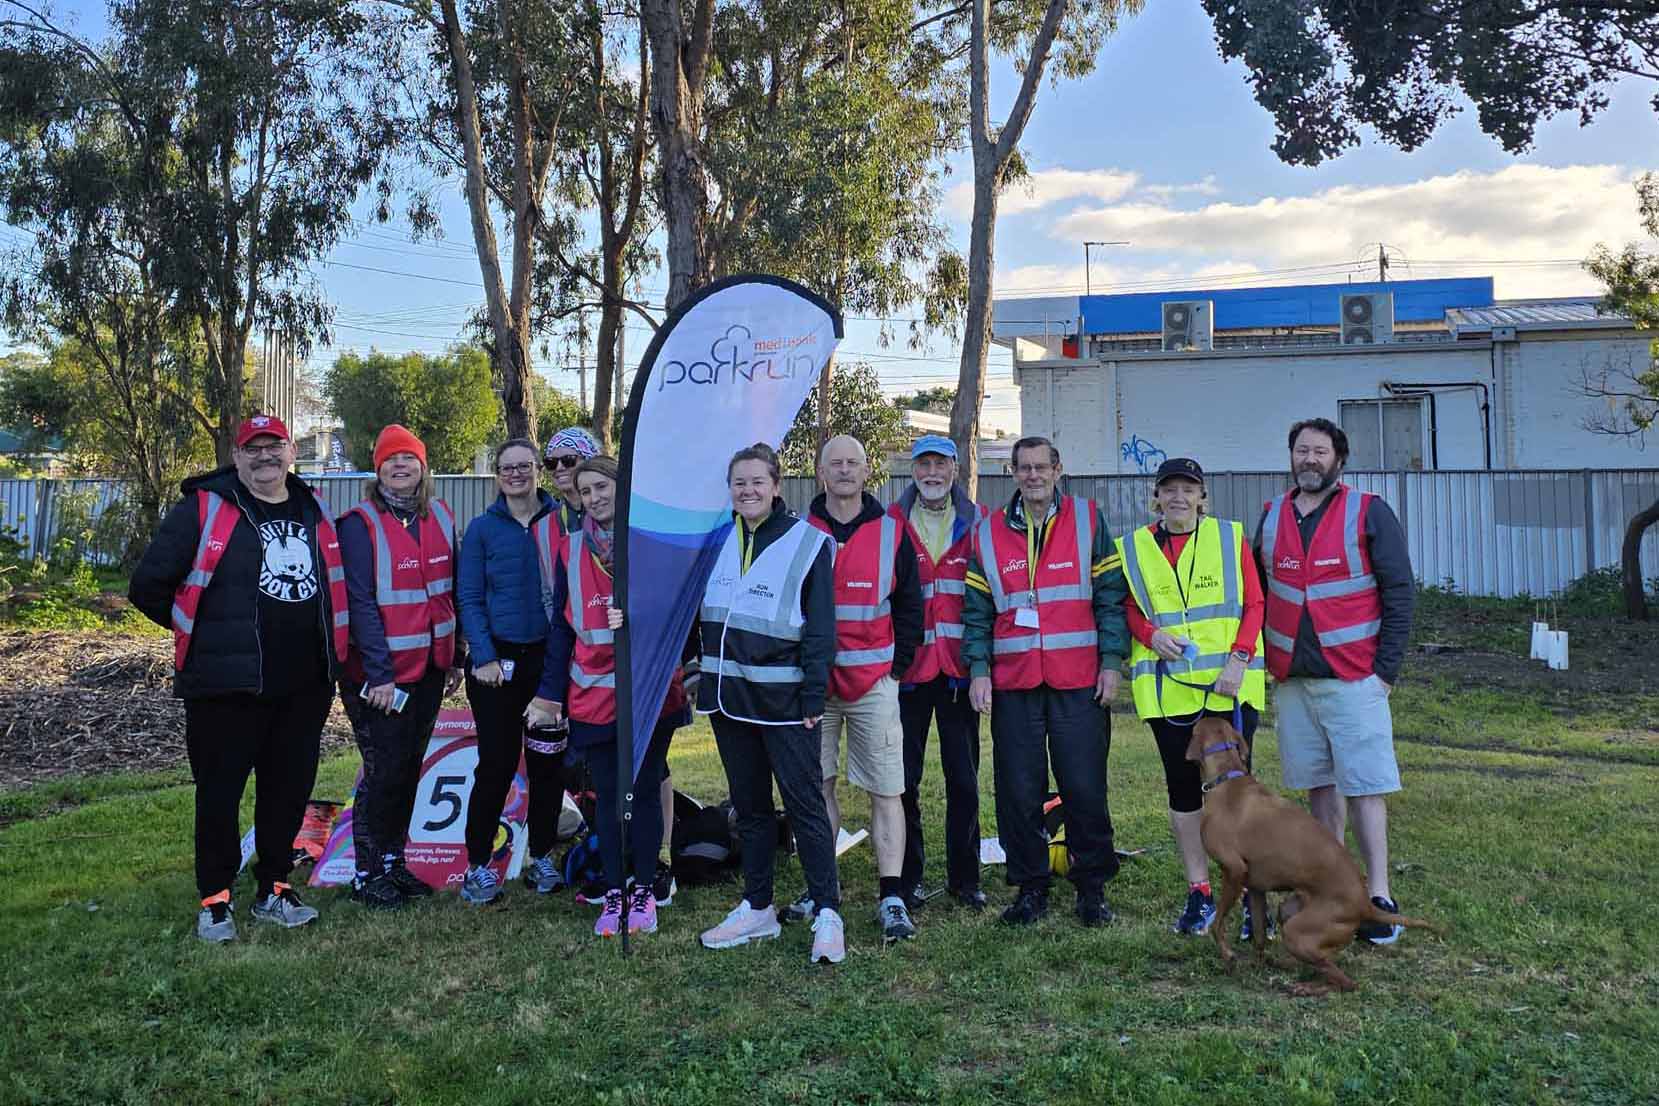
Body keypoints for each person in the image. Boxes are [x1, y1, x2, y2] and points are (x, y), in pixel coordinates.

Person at [129, 414, 348, 942]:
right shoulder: (204, 507)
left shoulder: (311, 507)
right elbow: (148, 586)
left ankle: (274, 886)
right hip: (224, 689)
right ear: (238, 453)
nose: (265, 456)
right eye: (254, 448)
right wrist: (199, 635)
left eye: (274, 446)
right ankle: (216, 899)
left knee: (287, 791)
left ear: (291, 451)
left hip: (303, 685)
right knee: (220, 795)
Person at [1253, 417, 1415, 944]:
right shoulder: (1271, 514)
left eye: (1320, 451)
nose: (1309, 460)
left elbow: (1400, 593)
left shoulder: (1368, 511)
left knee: (1366, 787)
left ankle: (1379, 893)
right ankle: (1332, 886)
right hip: (1293, 680)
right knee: (1320, 789)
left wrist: (1385, 672)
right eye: (1301, 450)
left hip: (1354, 678)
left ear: (1339, 460)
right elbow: (1259, 594)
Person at [963, 435, 1131, 928]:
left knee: (1084, 787)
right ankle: (1030, 886)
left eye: (1042, 467)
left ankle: (1092, 887)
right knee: (1018, 790)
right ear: (1013, 474)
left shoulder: (1087, 519)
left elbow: (1110, 597)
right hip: (1014, 683)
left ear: (1059, 471)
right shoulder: (989, 532)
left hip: (1078, 680)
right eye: (1024, 468)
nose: (1033, 475)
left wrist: (1111, 662)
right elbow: (975, 610)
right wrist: (978, 671)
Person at [696, 442, 846, 964]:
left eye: (758, 481)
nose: (748, 490)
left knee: (805, 807)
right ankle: (757, 907)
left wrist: (813, 695)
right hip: (726, 698)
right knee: (752, 811)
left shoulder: (809, 543)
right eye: (739, 483)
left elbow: (822, 631)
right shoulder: (714, 540)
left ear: (777, 485)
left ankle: (828, 912)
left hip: (785, 702)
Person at [526, 455, 686, 938]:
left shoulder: (651, 546)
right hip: (593, 698)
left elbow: (683, 614)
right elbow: (561, 630)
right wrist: (549, 695)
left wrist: (638, 617)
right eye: (586, 490)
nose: (595, 497)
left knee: (644, 791)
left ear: (622, 487)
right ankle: (615, 889)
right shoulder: (570, 550)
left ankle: (644, 888)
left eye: (602, 487)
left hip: (651, 694)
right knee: (609, 798)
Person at [1117, 457, 1266, 937]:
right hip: (1169, 695)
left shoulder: (1229, 537)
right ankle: (1199, 892)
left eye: (1189, 489)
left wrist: (1239, 659)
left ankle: (1246, 894)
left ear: (1203, 497)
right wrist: (1149, 634)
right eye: (1169, 489)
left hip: (1228, 689)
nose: (1178, 497)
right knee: (1184, 795)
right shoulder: (1134, 548)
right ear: (1155, 497)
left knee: (1235, 797)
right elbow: (1125, 607)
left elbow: (1255, 602)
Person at [796, 434, 925, 942]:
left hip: (875, 681)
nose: (845, 471)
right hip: (814, 686)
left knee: (887, 789)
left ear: (866, 471)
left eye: (853, 463)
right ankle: (821, 890)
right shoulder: (800, 532)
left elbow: (912, 605)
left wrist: (899, 665)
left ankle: (891, 895)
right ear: (821, 472)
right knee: (816, 788)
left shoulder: (893, 531)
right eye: (835, 463)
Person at [336, 425, 466, 909]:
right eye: (390, 460)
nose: (400, 466)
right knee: (383, 772)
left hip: (430, 670)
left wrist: (454, 657)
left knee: (410, 768)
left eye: (408, 459)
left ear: (422, 466)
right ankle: (366, 871)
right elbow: (361, 603)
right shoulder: (360, 523)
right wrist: (379, 677)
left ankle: (394, 861)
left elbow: (449, 593)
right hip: (379, 678)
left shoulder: (440, 516)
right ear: (377, 468)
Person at [456, 438, 568, 904]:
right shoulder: (482, 529)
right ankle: (478, 864)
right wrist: (481, 656)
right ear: (497, 475)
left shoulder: (561, 520)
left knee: (547, 765)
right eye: (507, 468)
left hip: (548, 662)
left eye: (525, 466)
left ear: (537, 471)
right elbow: (469, 596)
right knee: (497, 765)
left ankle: (541, 856)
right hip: (495, 667)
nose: (517, 474)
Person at [890, 435, 989, 912]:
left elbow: (988, 595)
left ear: (954, 469)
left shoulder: (977, 522)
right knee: (903, 781)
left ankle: (965, 879)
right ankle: (907, 877)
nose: (932, 473)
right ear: (913, 470)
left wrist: (981, 665)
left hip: (958, 671)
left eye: (940, 464)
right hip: (907, 673)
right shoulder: (889, 523)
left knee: (963, 780)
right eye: (924, 464)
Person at [543, 426, 598, 532]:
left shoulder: (612, 512)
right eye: (551, 463)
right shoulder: (546, 525)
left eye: (568, 460)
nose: (559, 468)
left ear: (588, 461)